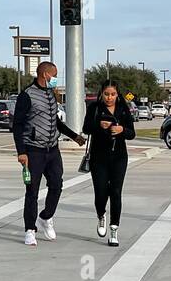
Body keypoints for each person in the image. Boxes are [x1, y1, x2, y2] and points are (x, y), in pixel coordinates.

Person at [13, 60, 85, 246]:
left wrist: (74, 136)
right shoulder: (27, 95)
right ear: (45, 74)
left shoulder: (52, 95)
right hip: (33, 150)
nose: (55, 78)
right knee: (32, 191)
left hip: (52, 150)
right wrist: (21, 151)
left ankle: (46, 217)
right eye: (54, 74)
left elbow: (57, 123)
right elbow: (17, 125)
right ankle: (30, 229)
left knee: (57, 185)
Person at [82, 81, 135, 247]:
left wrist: (121, 130)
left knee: (116, 191)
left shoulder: (123, 109)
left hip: (119, 157)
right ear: (101, 94)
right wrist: (99, 125)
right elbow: (86, 128)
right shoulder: (94, 108)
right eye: (106, 94)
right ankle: (101, 214)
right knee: (101, 192)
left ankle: (114, 229)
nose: (109, 98)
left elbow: (131, 133)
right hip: (99, 157)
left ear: (117, 94)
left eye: (112, 94)